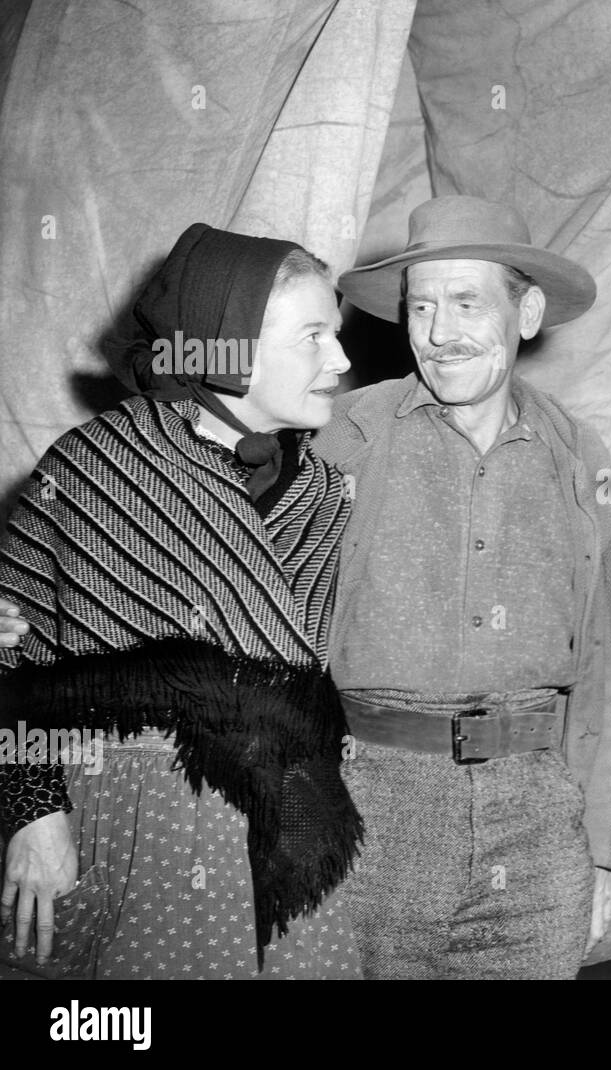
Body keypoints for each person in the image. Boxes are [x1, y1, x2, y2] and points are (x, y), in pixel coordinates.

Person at [0, 224, 361, 978]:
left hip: (287, 821)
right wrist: (29, 814)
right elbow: (8, 657)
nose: (342, 359)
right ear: (224, 351)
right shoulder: (97, 468)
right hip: (134, 828)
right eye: (314, 336)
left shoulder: (325, 493)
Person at [312, 195, 611, 979]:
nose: (439, 332)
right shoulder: (341, 437)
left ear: (525, 312)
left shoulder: (576, 452)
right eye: (420, 306)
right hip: (370, 805)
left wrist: (605, 846)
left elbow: (604, 657)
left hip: (539, 820)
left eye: (465, 303)